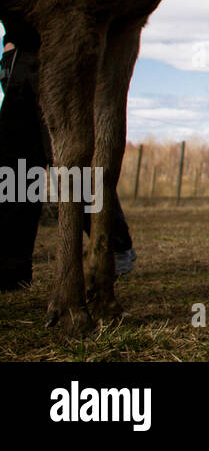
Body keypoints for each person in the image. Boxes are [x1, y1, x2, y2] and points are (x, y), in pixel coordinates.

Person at [0, 30, 135, 291]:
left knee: (71, 165)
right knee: (17, 169)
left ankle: (116, 247)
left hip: (62, 49)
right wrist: (10, 44)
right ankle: (11, 267)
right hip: (20, 58)